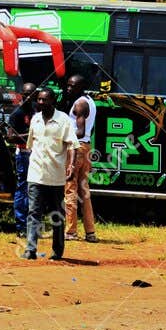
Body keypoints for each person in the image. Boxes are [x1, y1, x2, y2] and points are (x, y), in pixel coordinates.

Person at [22, 88, 77, 260]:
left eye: (44, 100)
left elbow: (72, 145)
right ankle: (30, 250)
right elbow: (30, 145)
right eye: (38, 99)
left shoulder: (63, 120)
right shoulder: (35, 119)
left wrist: (72, 165)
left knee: (57, 215)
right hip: (36, 174)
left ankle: (58, 251)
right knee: (33, 212)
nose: (40, 103)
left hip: (55, 176)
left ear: (53, 101)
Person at [62, 74, 98, 244]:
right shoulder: (90, 101)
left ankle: (70, 231)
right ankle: (90, 232)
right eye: (68, 85)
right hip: (86, 148)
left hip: (76, 149)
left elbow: (80, 131)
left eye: (72, 86)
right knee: (84, 191)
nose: (68, 89)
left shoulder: (80, 104)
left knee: (70, 188)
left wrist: (61, 135)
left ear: (80, 87)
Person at [5, 82, 38, 237]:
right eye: (26, 94)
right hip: (24, 154)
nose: (29, 97)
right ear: (22, 95)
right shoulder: (17, 113)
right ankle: (21, 226)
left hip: (37, 154)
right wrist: (31, 135)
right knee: (23, 188)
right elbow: (10, 137)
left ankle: (32, 225)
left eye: (32, 94)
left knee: (35, 190)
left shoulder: (36, 110)